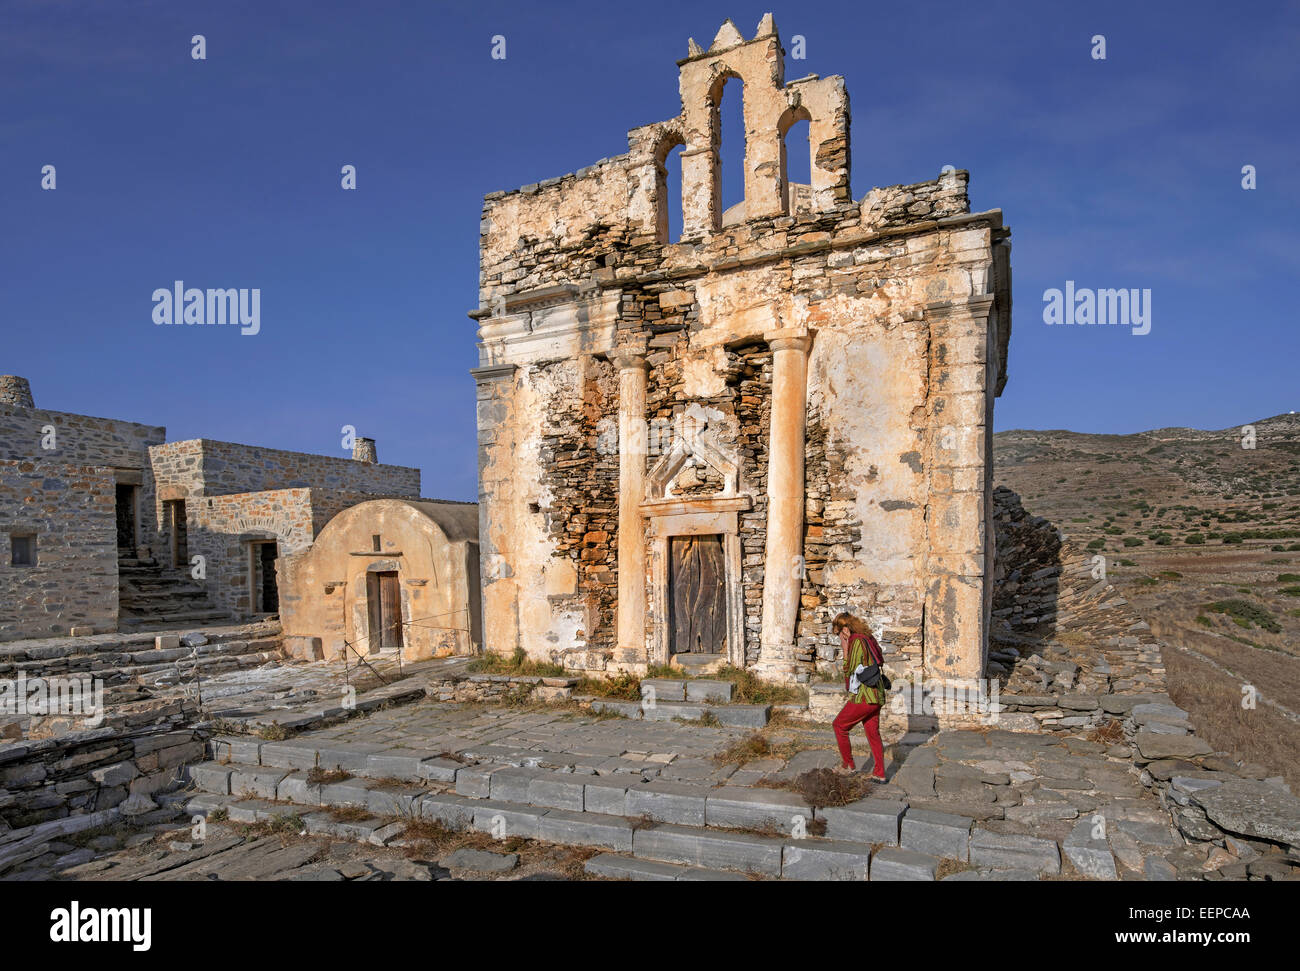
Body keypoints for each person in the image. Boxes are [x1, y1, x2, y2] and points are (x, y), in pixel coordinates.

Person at [830, 611, 887, 779]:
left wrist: (845, 648)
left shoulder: (856, 641)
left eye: (839, 634)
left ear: (845, 629)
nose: (840, 637)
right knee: (873, 733)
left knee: (839, 726)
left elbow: (849, 669)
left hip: (865, 695)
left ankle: (848, 765)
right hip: (877, 694)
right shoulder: (868, 637)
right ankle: (880, 773)